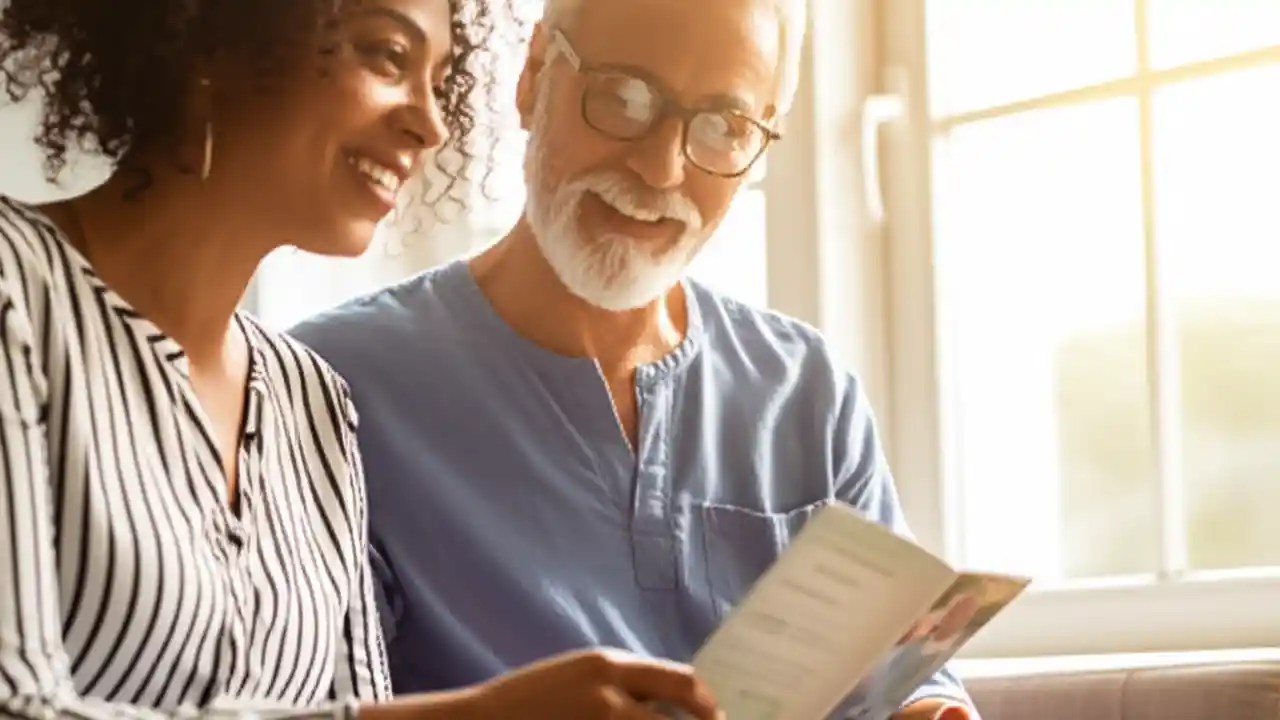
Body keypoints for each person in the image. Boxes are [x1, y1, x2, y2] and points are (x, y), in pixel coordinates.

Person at [0, 0, 723, 718]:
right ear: (216, 34)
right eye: (386, 56)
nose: (431, 123)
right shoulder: (18, 297)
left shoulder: (310, 401)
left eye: (440, 80)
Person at [291, 0, 980, 717]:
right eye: (621, 97)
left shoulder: (808, 390)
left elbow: (904, 675)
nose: (659, 169)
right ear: (532, 79)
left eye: (724, 127)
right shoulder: (333, 385)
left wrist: (927, 710)